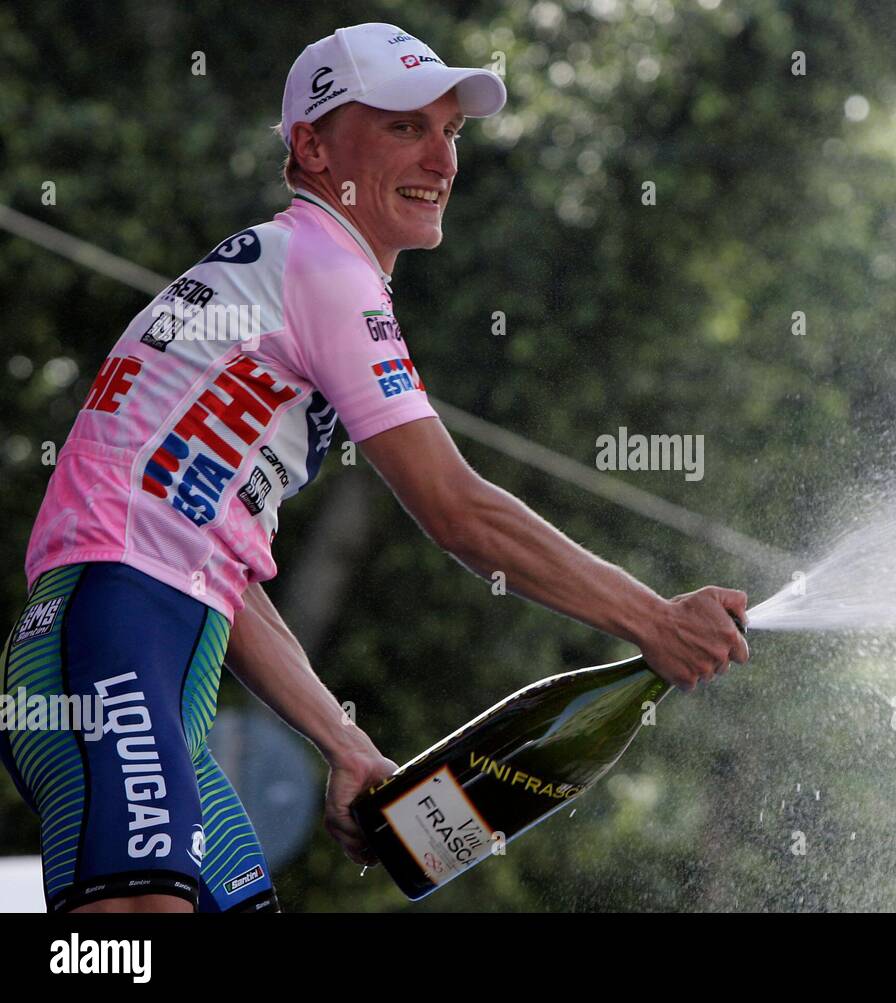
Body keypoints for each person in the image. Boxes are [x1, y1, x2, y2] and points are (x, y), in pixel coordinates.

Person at [0, 22, 749, 915]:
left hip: (141, 642)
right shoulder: (322, 268)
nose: (441, 158)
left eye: (451, 131)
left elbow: (210, 567)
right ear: (312, 147)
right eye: (403, 127)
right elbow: (456, 510)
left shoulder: (291, 271)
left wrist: (342, 740)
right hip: (114, 639)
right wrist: (652, 617)